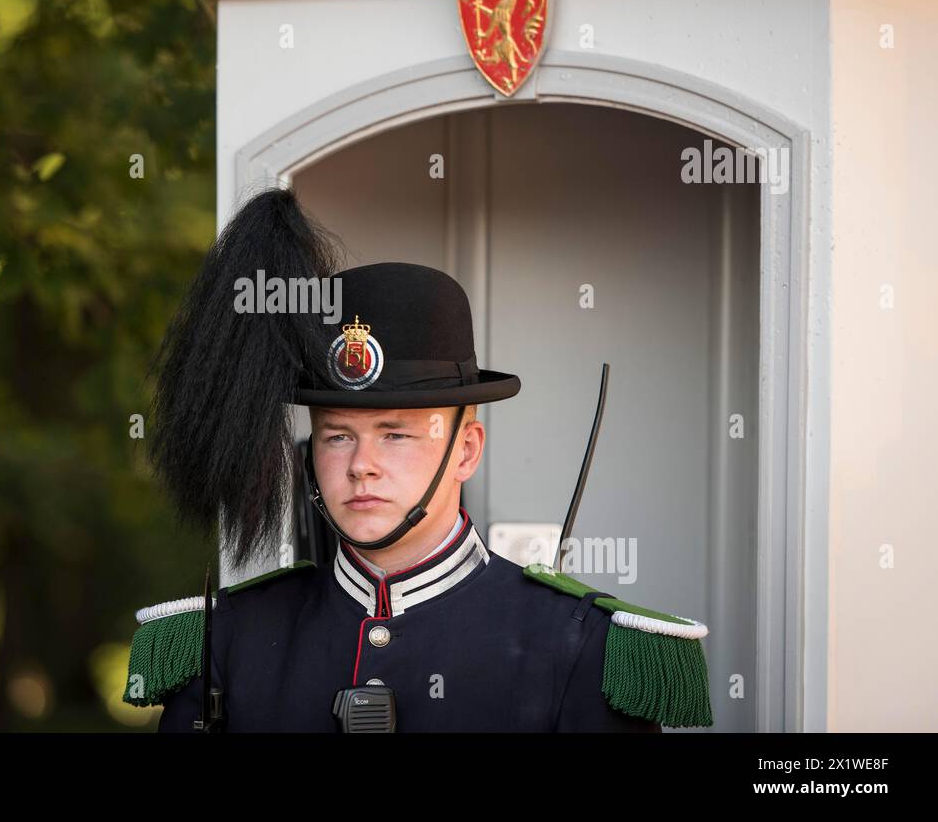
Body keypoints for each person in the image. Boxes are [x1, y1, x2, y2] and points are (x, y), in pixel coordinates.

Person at [121, 188, 712, 732]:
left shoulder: (580, 645)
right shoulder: (227, 639)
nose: (362, 465)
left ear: (466, 451)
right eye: (336, 436)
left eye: (395, 434)